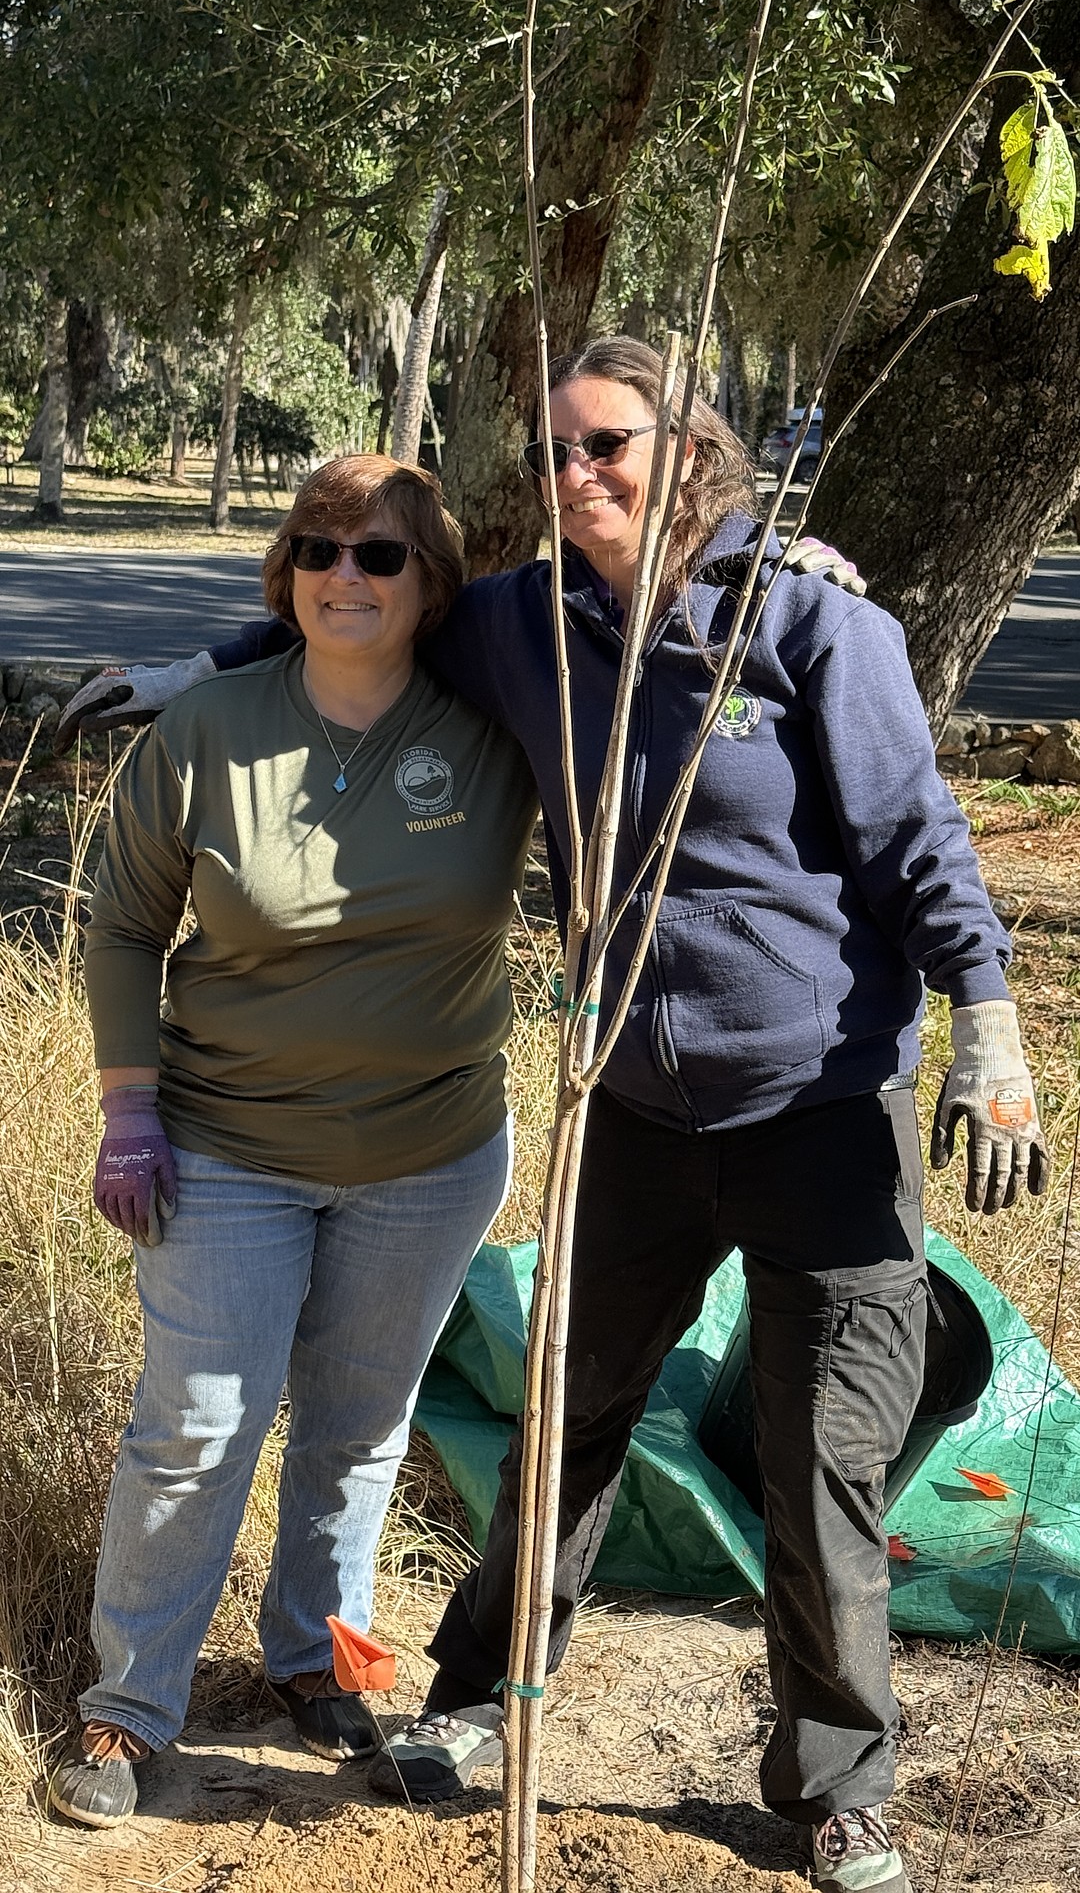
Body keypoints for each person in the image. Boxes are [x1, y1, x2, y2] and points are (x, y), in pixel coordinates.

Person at [58, 340, 1046, 1893]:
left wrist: (990, 1027)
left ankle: (840, 1788)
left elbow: (919, 836)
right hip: (633, 1111)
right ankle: (471, 1700)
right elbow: (354, 607)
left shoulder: (807, 622)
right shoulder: (531, 626)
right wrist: (197, 672)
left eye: (609, 445)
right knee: (566, 1429)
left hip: (824, 1106)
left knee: (824, 1462)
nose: (578, 474)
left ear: (690, 450)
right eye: (556, 453)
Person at [48, 454, 537, 1831]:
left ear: (431, 582)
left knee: (360, 1425)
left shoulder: (495, 728)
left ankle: (317, 1657)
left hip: (432, 1156)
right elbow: (123, 925)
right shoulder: (206, 731)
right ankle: (131, 1704)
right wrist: (128, 1110)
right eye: (318, 551)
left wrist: (778, 571)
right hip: (225, 1149)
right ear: (285, 577)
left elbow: (637, 666)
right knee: (197, 1429)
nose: (345, 576)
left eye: (380, 555)